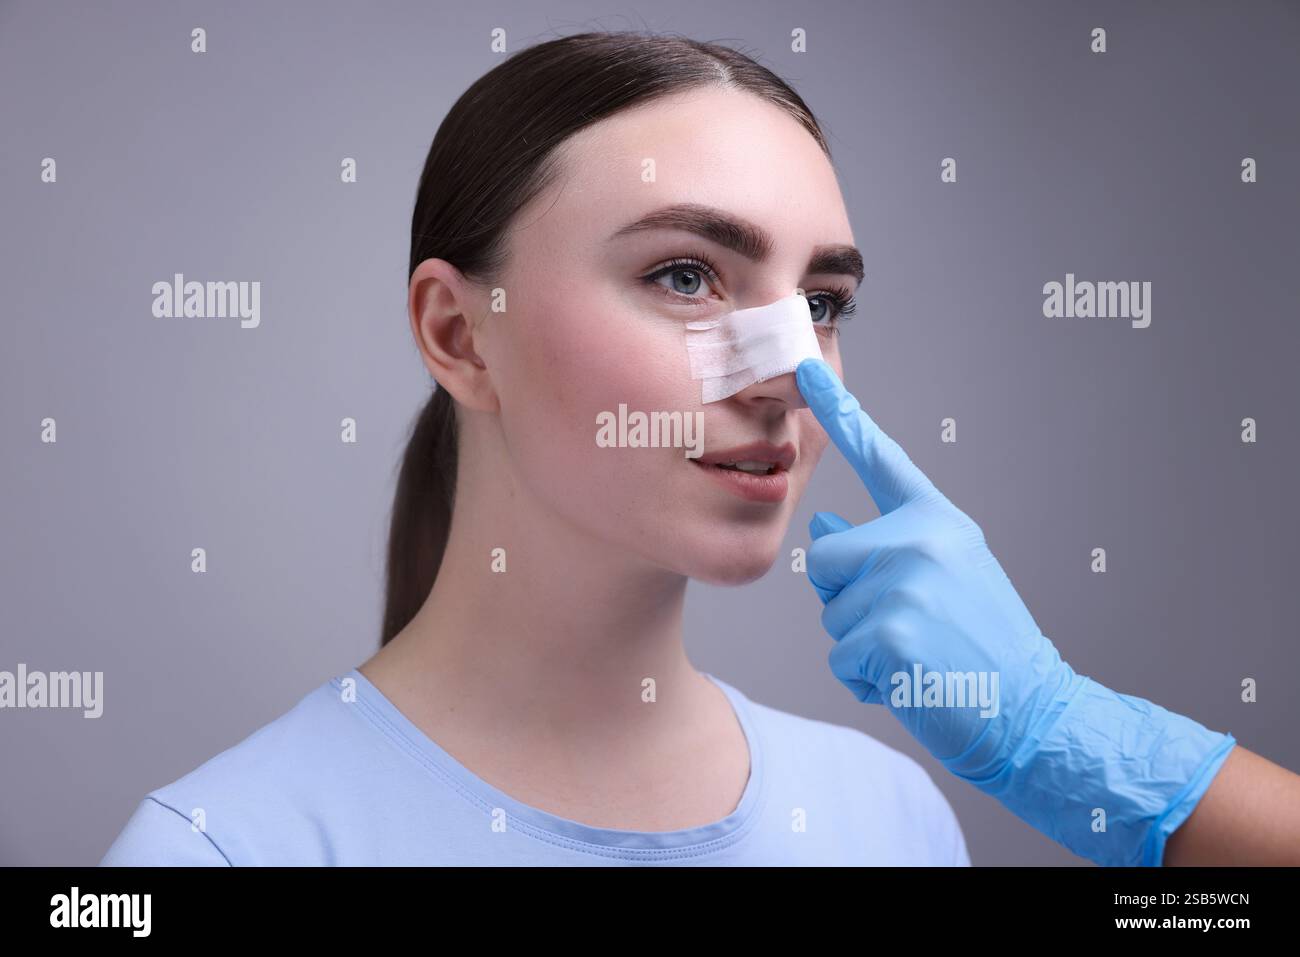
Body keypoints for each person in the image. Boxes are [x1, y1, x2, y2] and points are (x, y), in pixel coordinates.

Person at [99, 30, 1299, 868]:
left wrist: (1060, 734)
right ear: (460, 334)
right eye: (685, 276)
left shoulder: (888, 818)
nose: (794, 372)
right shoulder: (223, 852)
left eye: (822, 300)